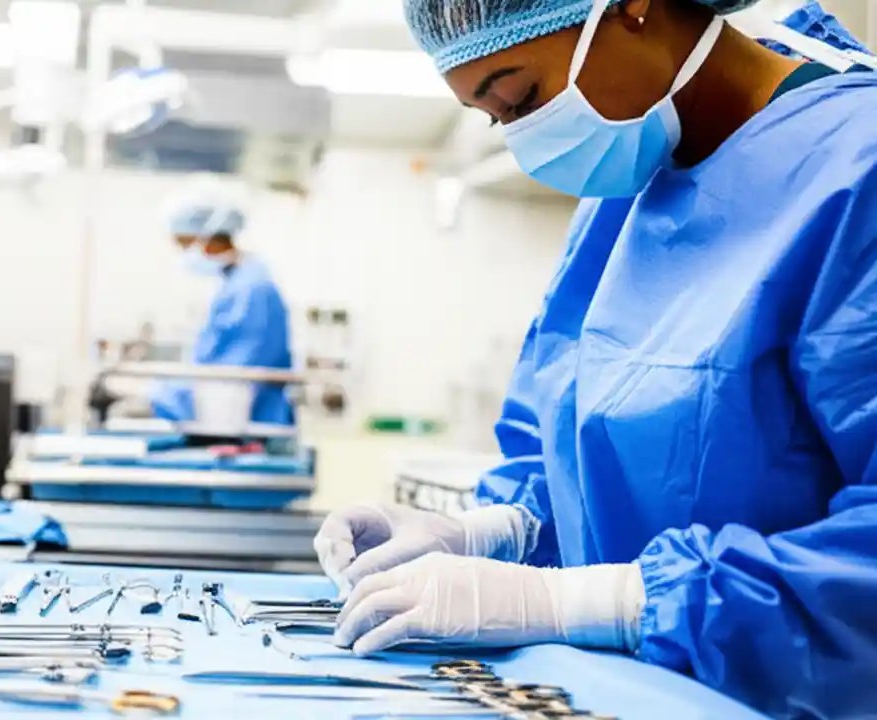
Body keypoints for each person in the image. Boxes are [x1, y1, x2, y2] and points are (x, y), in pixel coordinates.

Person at [314, 0, 877, 716]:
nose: (521, 139)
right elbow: (601, 468)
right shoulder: (627, 183)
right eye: (494, 118)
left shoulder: (856, 173)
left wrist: (594, 601)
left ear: (632, 7)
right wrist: (492, 534)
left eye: (521, 98)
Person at [150, 181, 294, 426]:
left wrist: (171, 396)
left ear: (207, 237)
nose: (184, 253)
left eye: (184, 243)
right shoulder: (237, 282)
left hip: (244, 417)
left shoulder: (252, 289)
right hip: (229, 409)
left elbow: (235, 371)